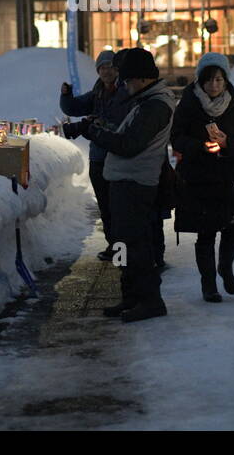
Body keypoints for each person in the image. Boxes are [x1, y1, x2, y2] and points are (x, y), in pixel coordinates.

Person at [82, 48, 178, 323]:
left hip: (136, 183)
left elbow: (129, 145)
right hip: (124, 180)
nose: (124, 84)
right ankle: (131, 295)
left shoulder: (155, 105)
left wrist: (95, 133)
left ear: (142, 78)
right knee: (123, 243)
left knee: (136, 245)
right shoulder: (143, 101)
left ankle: (150, 300)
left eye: (127, 79)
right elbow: (125, 136)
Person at [171, 52, 234, 302]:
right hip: (199, 177)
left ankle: (225, 268)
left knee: (233, 229)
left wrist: (228, 143)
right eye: (209, 80)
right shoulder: (188, 103)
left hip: (226, 175)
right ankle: (208, 284)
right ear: (200, 80)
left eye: (219, 79)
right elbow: (176, 137)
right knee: (205, 233)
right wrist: (199, 146)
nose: (214, 85)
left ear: (225, 79)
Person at [60, 50, 128, 260]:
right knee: (105, 205)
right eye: (102, 67)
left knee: (120, 206)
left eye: (110, 66)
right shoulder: (98, 91)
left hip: (118, 157)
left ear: (117, 69)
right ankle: (114, 247)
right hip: (98, 157)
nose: (106, 71)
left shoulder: (124, 91)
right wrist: (66, 95)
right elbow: (74, 107)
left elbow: (119, 121)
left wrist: (92, 125)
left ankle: (124, 248)